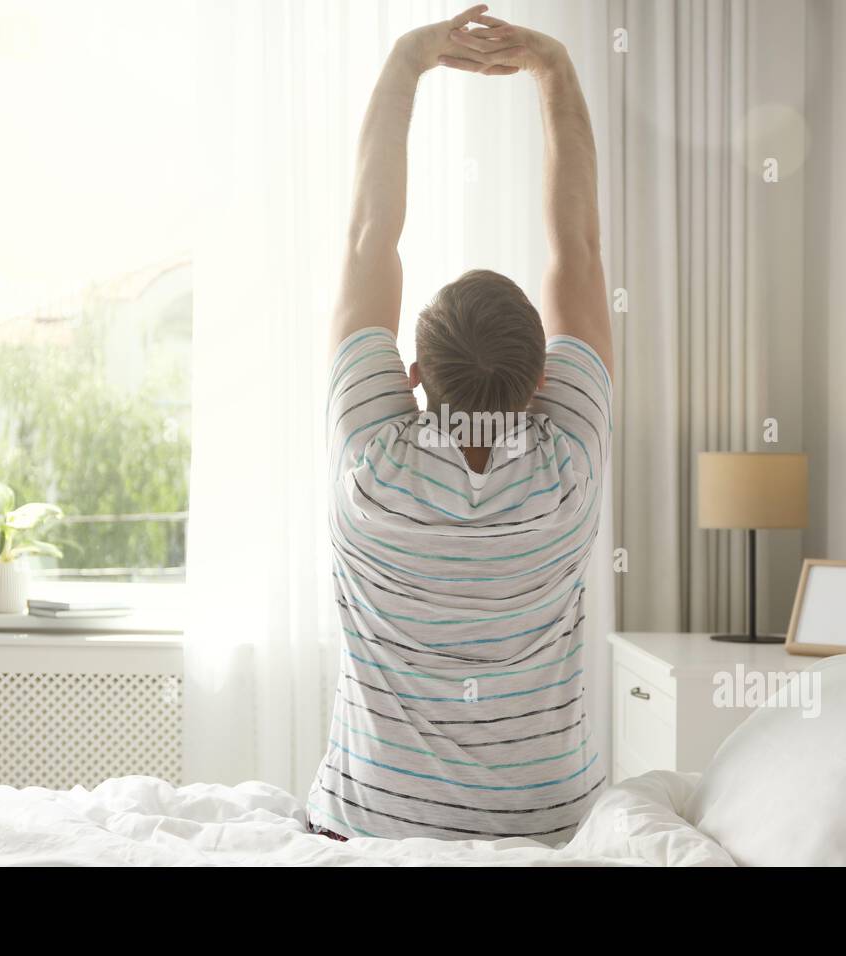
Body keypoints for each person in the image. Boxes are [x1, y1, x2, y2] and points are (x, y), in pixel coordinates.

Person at [308, 4, 613, 842]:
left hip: (371, 829)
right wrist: (555, 72)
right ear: (544, 381)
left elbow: (371, 234)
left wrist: (409, 62)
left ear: (411, 378)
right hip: (547, 831)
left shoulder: (370, 466)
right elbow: (578, 252)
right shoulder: (569, 472)